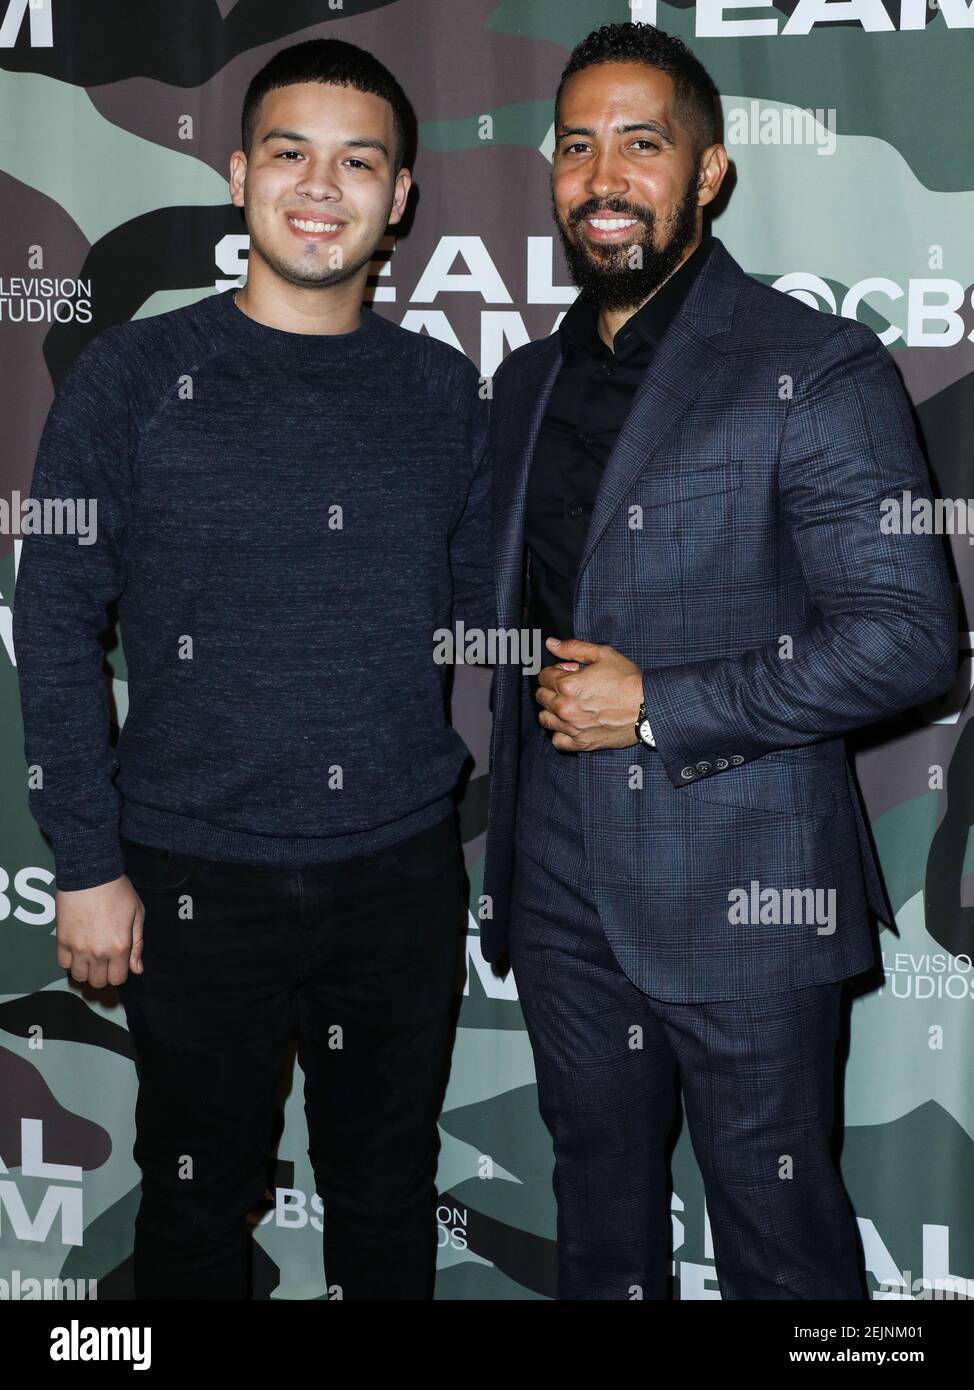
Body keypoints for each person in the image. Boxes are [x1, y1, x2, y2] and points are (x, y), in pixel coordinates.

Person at [481, 22, 956, 1300]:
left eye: (641, 143)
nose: (602, 175)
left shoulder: (812, 365)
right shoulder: (524, 381)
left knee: (779, 1249)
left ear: (706, 173)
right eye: (575, 145)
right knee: (599, 1229)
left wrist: (655, 708)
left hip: (750, 896)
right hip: (558, 896)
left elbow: (909, 637)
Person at [14, 37, 493, 1301]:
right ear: (237, 176)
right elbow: (54, 618)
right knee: (188, 1220)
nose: (319, 185)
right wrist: (87, 861)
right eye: (289, 153)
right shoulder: (129, 378)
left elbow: (504, 609)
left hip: (395, 878)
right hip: (185, 876)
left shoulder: (446, 395)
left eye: (356, 160)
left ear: (398, 198)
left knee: (385, 1206)